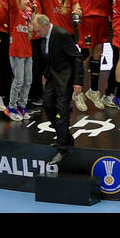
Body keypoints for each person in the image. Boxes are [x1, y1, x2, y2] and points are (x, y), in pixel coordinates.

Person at [30, 12, 83, 167]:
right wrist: (45, 75)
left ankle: (62, 148)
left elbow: (77, 57)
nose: (37, 34)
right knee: (47, 105)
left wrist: (78, 81)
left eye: (38, 30)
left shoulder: (62, 34)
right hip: (52, 77)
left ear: (46, 25)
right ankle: (65, 137)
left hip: (65, 78)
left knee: (63, 110)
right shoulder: (44, 37)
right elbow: (49, 58)